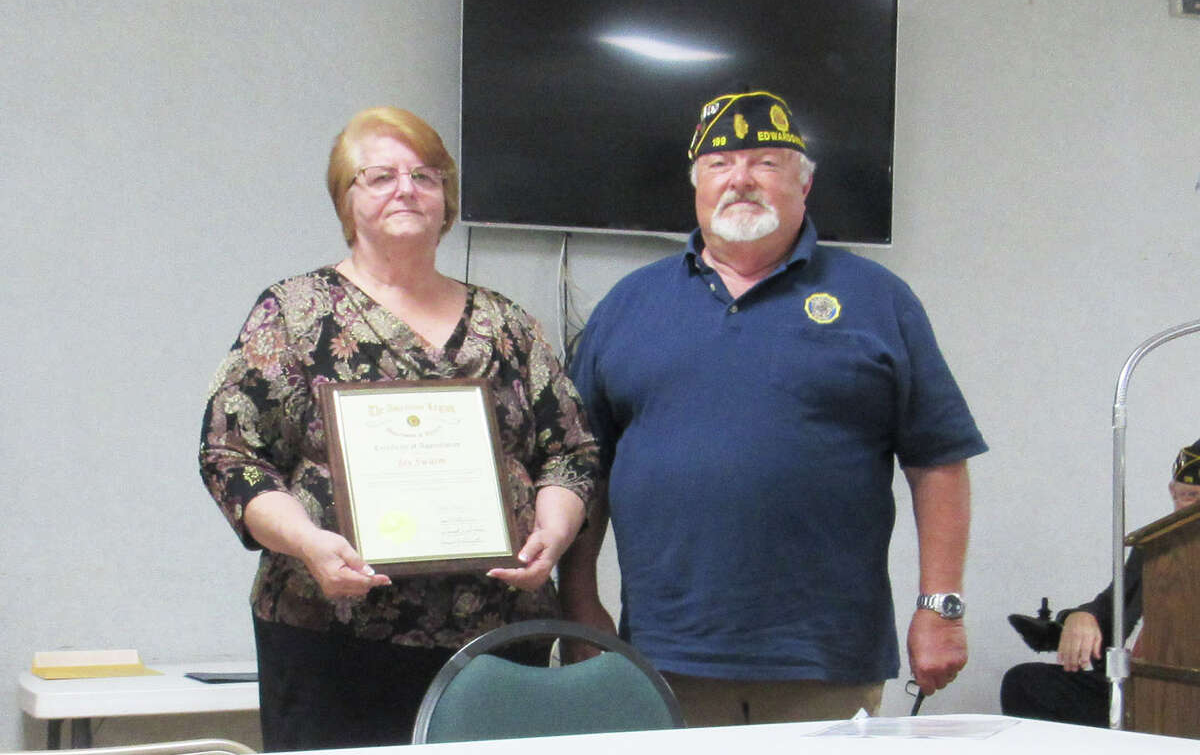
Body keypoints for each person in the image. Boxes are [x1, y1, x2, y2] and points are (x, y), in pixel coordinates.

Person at [559, 89, 987, 726]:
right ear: (696, 186)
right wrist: (578, 602)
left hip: (825, 661)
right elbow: (580, 465)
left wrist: (942, 605)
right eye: (719, 165)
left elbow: (938, 462)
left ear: (804, 185)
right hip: (662, 655)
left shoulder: (879, 300)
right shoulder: (628, 305)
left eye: (766, 162)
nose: (741, 180)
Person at [199, 106, 598, 751]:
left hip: (494, 642)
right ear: (344, 199)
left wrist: (553, 532)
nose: (406, 189)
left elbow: (571, 450)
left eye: (425, 175)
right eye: (379, 176)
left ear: (447, 201)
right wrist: (306, 542)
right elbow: (230, 452)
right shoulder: (295, 314)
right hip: (332, 640)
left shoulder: (507, 325)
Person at [1000, 439, 1200, 727]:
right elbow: (1110, 607)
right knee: (1026, 683)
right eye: (1188, 496)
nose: (1191, 512)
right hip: (1134, 689)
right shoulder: (1159, 547)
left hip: (1185, 694)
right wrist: (1083, 617)